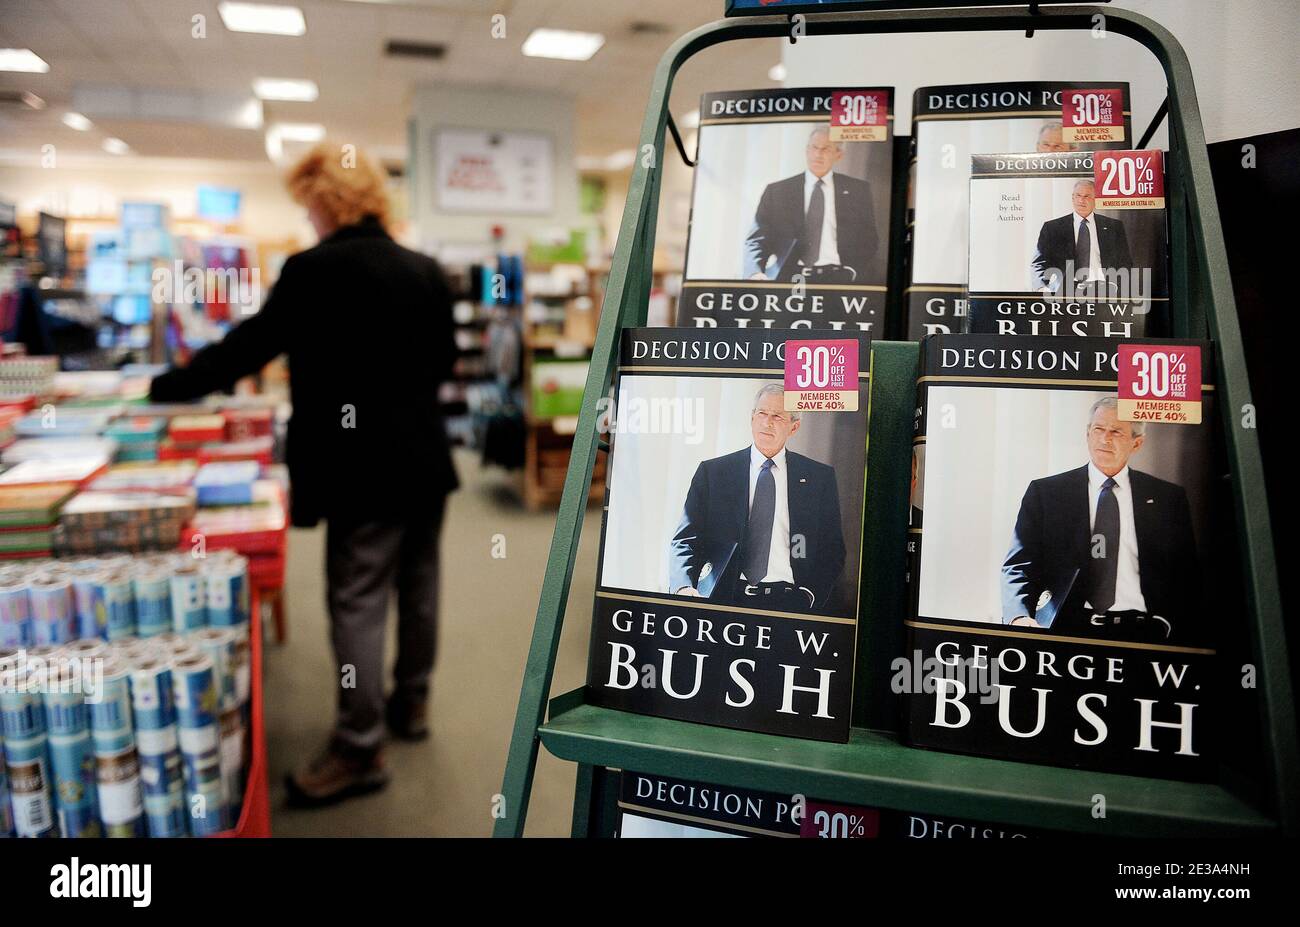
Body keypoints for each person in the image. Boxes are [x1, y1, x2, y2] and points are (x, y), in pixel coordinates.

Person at [148, 142, 458, 806]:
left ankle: (358, 745)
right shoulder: (427, 271)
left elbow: (247, 348)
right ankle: (411, 705)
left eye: (309, 204)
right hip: (425, 462)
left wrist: (172, 384)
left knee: (357, 599)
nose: (309, 217)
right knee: (421, 585)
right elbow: (441, 363)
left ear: (326, 200)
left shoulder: (312, 270)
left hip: (360, 470)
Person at [1000, 397, 1199, 643]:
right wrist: (1018, 617)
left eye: (1116, 431)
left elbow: (1186, 574)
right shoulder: (1047, 493)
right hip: (1065, 627)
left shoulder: (1167, 498)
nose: (1105, 439)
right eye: (1098, 429)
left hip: (1147, 632)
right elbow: (1018, 565)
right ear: (1087, 434)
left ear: (1137, 443)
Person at [668, 383, 845, 613]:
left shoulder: (819, 477)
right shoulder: (713, 473)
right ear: (752, 418)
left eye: (778, 416)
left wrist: (809, 596)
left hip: (789, 604)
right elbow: (685, 540)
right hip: (722, 598)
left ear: (794, 427)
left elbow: (832, 548)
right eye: (761, 413)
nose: (767, 422)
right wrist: (683, 587)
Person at [743, 127, 878, 285]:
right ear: (807, 151)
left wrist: (853, 271)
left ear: (838, 155)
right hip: (788, 277)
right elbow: (757, 239)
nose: (818, 154)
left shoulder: (858, 190)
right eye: (814, 147)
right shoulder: (778, 191)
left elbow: (868, 239)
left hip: (839, 278)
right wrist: (755, 272)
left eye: (826, 149)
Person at [1031, 179, 1133, 295]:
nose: (1081, 200)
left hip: (1104, 288)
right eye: (1078, 195)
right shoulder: (1052, 227)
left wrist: (1116, 286)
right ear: (1072, 198)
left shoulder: (1114, 226)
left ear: (1096, 200)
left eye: (1087, 196)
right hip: (1065, 290)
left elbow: (1125, 262)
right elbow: (1038, 263)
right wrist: (1042, 288)